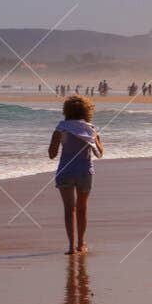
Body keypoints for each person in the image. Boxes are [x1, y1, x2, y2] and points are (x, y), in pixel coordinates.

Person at [48, 94, 103, 254]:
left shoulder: (61, 128)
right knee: (82, 209)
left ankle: (71, 246)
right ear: (87, 111)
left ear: (66, 110)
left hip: (65, 171)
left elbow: (52, 154)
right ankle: (81, 244)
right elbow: (99, 153)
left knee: (69, 209)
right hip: (85, 172)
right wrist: (97, 140)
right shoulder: (91, 129)